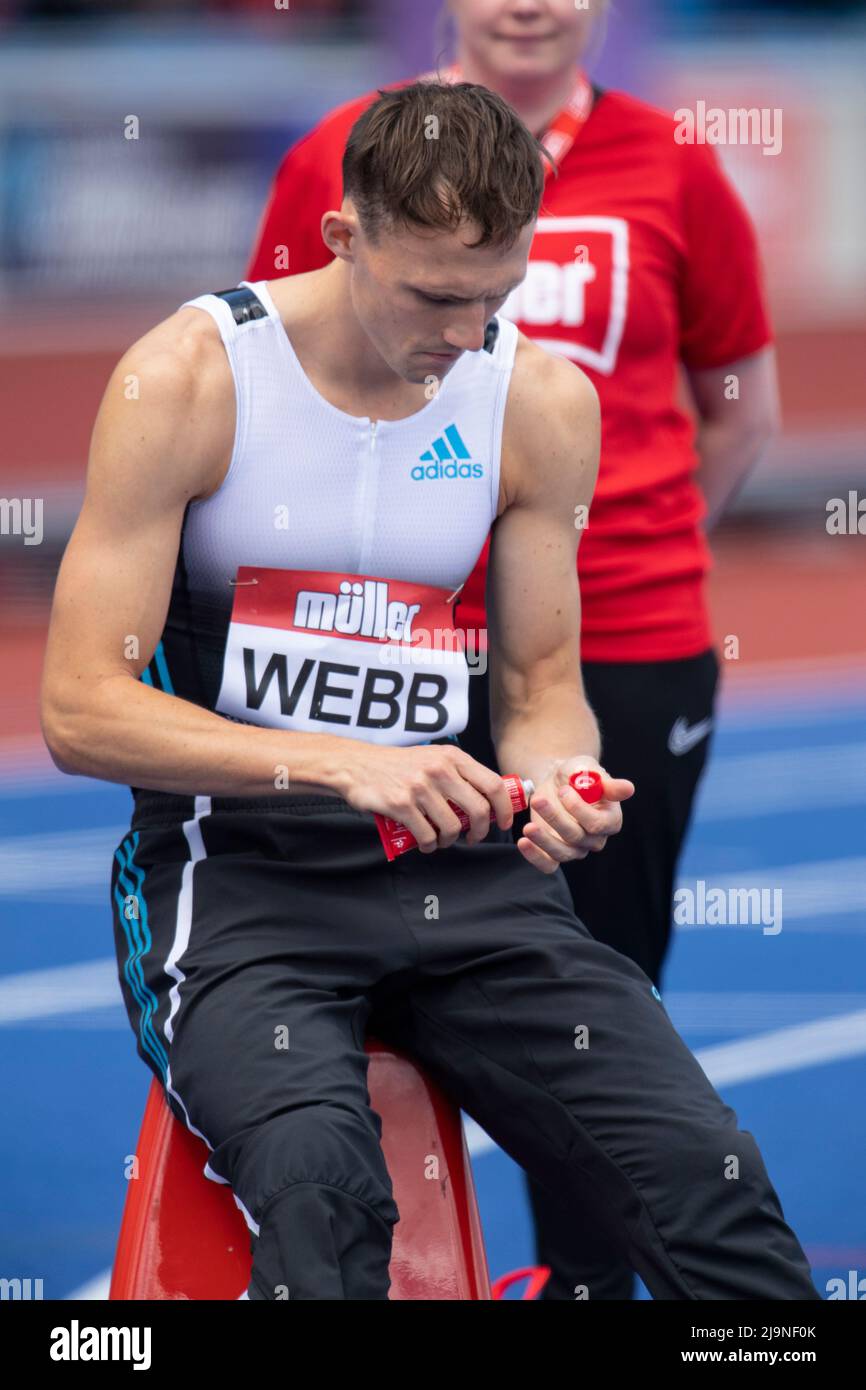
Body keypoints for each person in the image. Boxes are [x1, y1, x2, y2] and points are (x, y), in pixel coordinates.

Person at [41, 82, 816, 1302]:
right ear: (344, 236)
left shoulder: (541, 403)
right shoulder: (190, 378)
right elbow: (81, 708)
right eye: (434, 295)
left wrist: (557, 778)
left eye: (497, 295)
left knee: (703, 1177)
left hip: (466, 883)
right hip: (244, 890)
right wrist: (339, 759)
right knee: (325, 1193)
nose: (469, 334)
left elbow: (539, 685)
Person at [245, 0, 782, 1299]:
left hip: (625, 638)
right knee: (351, 971)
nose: (529, 2)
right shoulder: (340, 149)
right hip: (394, 635)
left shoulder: (674, 161)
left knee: (588, 1000)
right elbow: (265, 363)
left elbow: (738, 403)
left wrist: (616, 553)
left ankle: (586, 1283)